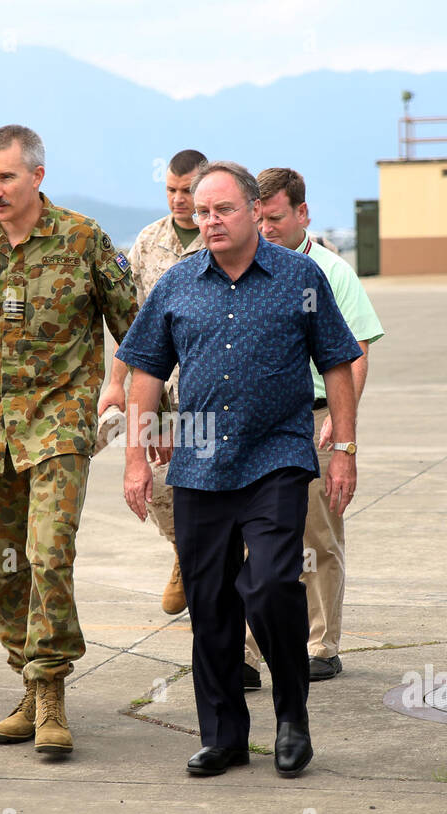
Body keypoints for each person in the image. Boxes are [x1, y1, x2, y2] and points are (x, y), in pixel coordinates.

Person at [115, 161, 362, 778]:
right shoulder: (176, 284)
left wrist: (344, 452)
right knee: (210, 603)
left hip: (275, 454)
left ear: (255, 211)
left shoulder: (300, 277)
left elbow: (338, 360)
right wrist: (136, 460)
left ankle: (290, 715)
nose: (211, 221)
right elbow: (144, 371)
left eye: (223, 209)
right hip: (198, 461)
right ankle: (223, 735)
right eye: (202, 212)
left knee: (273, 583)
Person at [0, 125, 138, 754]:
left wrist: (140, 404)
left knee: (48, 552)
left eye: (6, 177)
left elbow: (140, 328)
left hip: (60, 425)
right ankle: (27, 679)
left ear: (37, 176)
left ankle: (51, 692)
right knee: (6, 571)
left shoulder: (83, 239)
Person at [247, 167, 384, 683]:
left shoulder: (331, 272)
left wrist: (342, 426)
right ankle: (245, 652)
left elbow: (355, 354)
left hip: (317, 414)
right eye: (258, 218)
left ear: (303, 213)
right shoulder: (242, 267)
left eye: (276, 218)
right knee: (248, 538)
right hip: (257, 418)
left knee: (317, 534)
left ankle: (320, 644)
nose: (266, 229)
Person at [98, 149, 207, 616]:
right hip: (159, 390)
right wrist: (114, 381)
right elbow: (134, 322)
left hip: (211, 389)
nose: (178, 200)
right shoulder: (148, 241)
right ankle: (185, 554)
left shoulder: (222, 235)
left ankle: (214, 579)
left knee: (214, 491)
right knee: (161, 485)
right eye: (171, 190)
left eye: (187, 191)